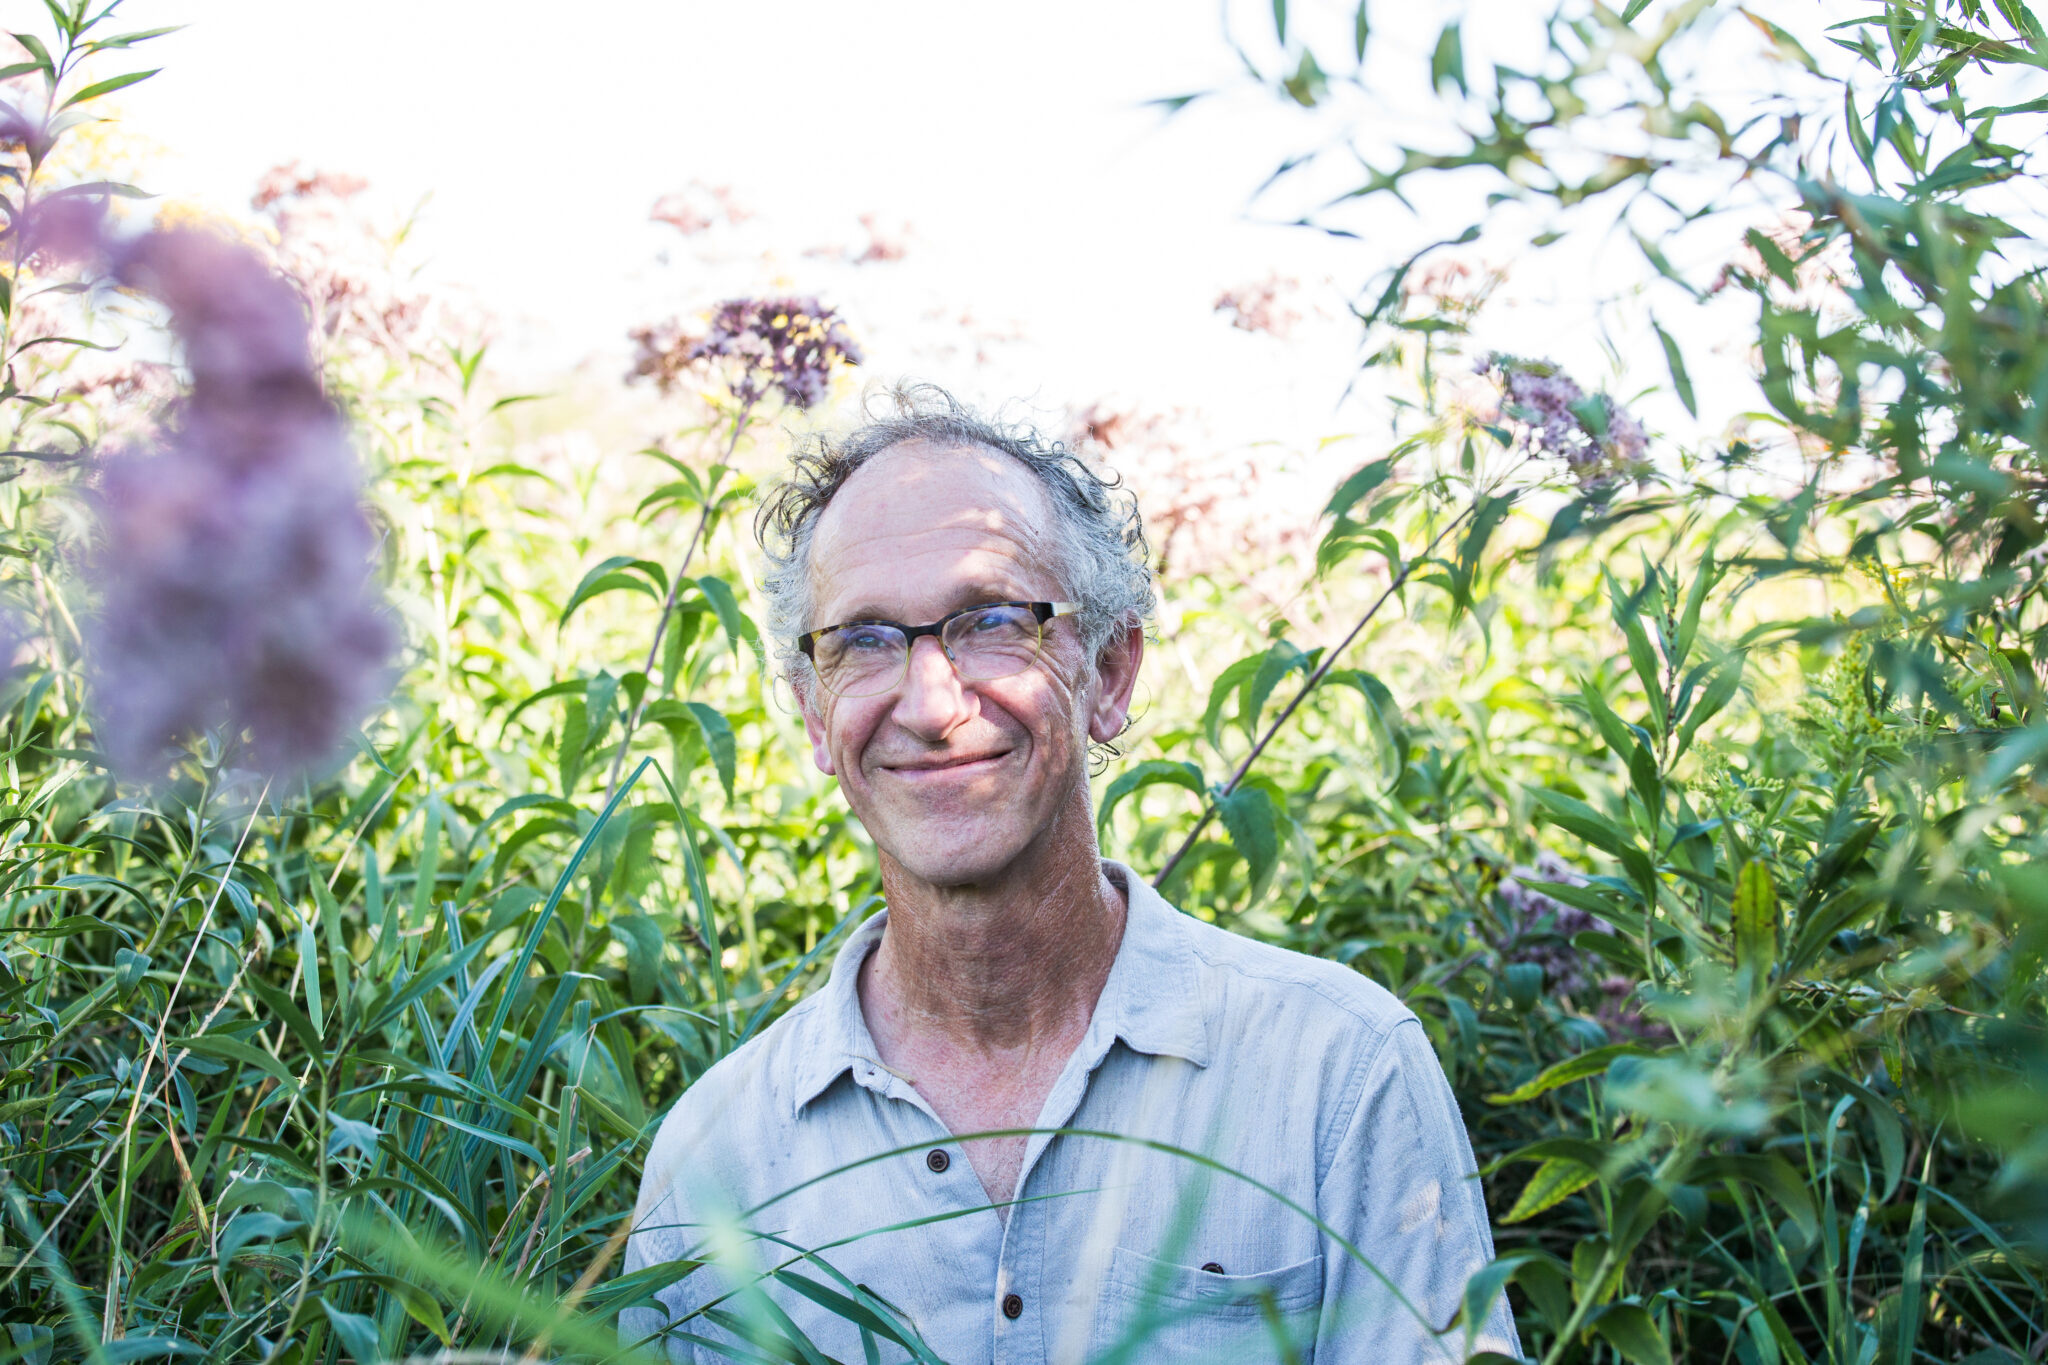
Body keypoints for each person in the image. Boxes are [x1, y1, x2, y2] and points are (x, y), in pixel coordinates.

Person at [620, 385, 1519, 1364]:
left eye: (991, 620)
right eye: (864, 640)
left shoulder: (1336, 1073)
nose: (929, 703)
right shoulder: (713, 1157)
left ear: (1109, 670)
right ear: (809, 707)